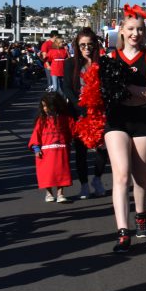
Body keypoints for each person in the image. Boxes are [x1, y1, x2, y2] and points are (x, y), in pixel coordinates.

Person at [104, 5, 146, 253]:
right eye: (130, 29)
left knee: (141, 176)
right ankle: (123, 232)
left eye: (139, 29)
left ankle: (141, 215)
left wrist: (125, 88)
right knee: (122, 175)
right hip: (117, 120)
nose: (135, 33)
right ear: (122, 31)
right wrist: (138, 93)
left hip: (143, 121)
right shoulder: (111, 58)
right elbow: (106, 92)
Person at [59, 28, 108, 199]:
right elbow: (66, 87)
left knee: (102, 148)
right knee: (80, 151)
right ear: (77, 46)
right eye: (82, 45)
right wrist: (79, 106)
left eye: (89, 44)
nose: (86, 47)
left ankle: (97, 179)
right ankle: (84, 185)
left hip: (99, 111)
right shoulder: (70, 63)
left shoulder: (103, 63)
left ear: (95, 45)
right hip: (78, 112)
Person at [28, 92, 73, 203]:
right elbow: (36, 135)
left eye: (46, 105)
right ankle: (49, 193)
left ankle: (60, 193)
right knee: (46, 174)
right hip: (46, 152)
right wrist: (36, 148)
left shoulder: (65, 119)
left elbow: (72, 130)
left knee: (61, 172)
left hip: (60, 150)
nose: (45, 108)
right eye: (43, 106)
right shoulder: (42, 120)